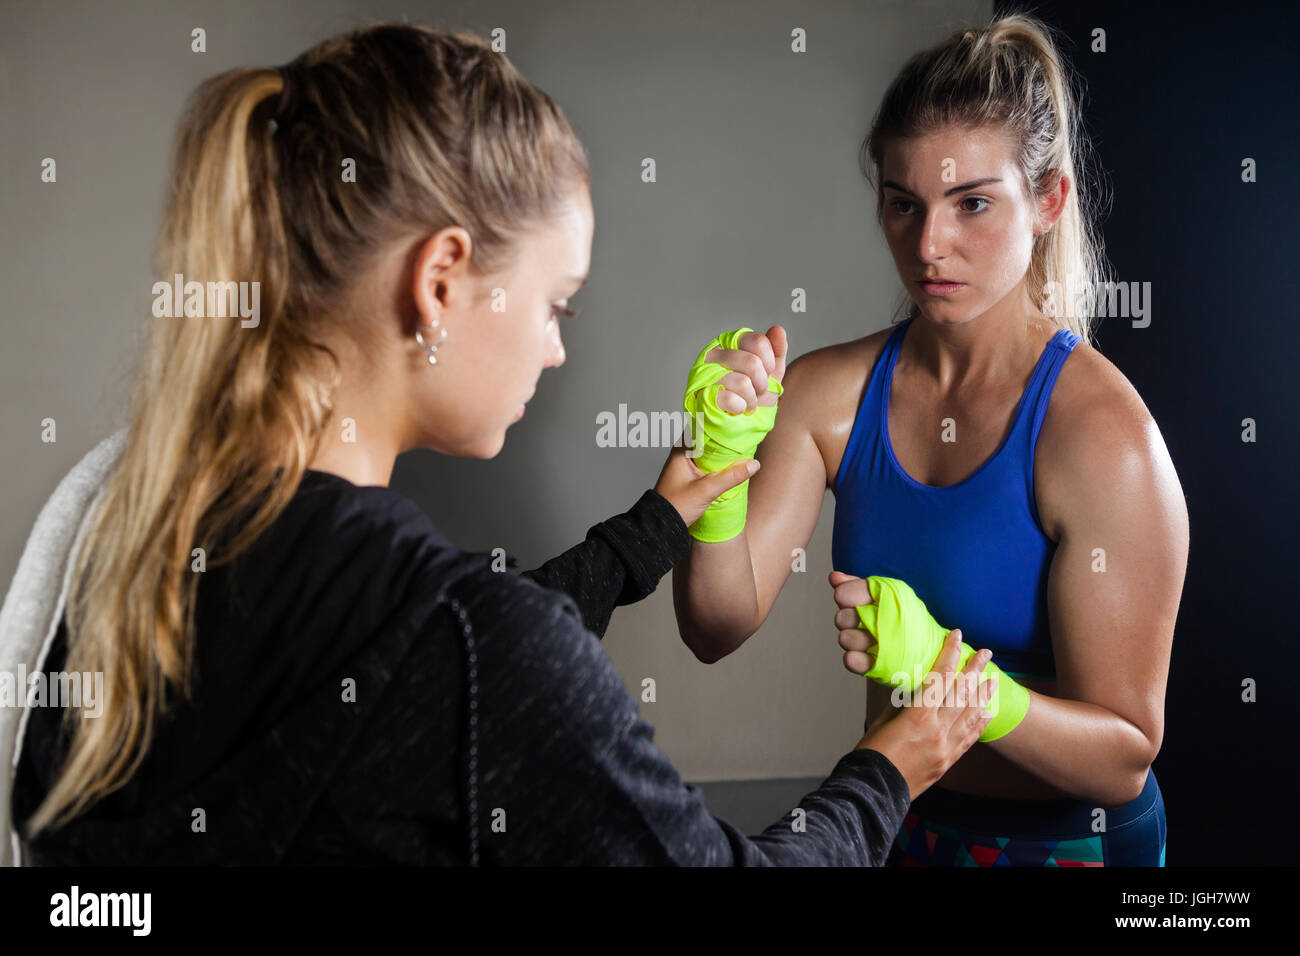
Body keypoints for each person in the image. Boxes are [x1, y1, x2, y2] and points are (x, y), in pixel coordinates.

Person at [5, 21, 996, 866]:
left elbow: (415, 669)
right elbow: (472, 661)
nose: (558, 350)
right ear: (440, 279)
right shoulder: (477, 642)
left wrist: (649, 531)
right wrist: (893, 761)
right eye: (555, 303)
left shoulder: (126, 513)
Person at [671, 14, 1188, 866]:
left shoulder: (1102, 436)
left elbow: (1126, 752)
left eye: (972, 203)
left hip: (1072, 845)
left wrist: (965, 689)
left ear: (1048, 201)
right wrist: (720, 458)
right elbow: (716, 624)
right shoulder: (830, 396)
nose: (929, 245)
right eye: (903, 204)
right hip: (895, 821)